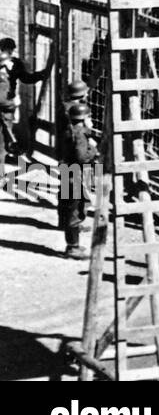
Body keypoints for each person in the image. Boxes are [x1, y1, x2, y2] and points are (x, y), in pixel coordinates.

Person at [57, 101, 99, 260]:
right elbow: (82, 157)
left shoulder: (70, 131)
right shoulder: (80, 134)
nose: (92, 120)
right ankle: (72, 248)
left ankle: (72, 244)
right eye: (90, 117)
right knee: (75, 211)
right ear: (83, 119)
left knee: (70, 208)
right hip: (74, 175)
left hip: (67, 173)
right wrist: (93, 149)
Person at [1, 36, 50, 160]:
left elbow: (26, 78)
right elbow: (25, 78)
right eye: (6, 50)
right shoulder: (10, 63)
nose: (8, 53)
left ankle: (6, 154)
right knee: (5, 134)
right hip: (7, 103)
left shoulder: (16, 63)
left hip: (7, 104)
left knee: (5, 133)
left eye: (9, 51)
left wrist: (41, 74)